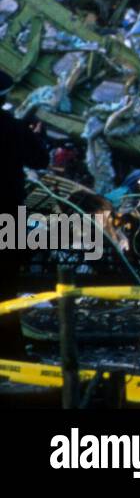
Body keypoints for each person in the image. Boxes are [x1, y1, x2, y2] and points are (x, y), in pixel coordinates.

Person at [0, 72, 50, 360]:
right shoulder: (14, 128)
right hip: (8, 218)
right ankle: (12, 354)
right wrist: (36, 135)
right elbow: (40, 159)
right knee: (6, 287)